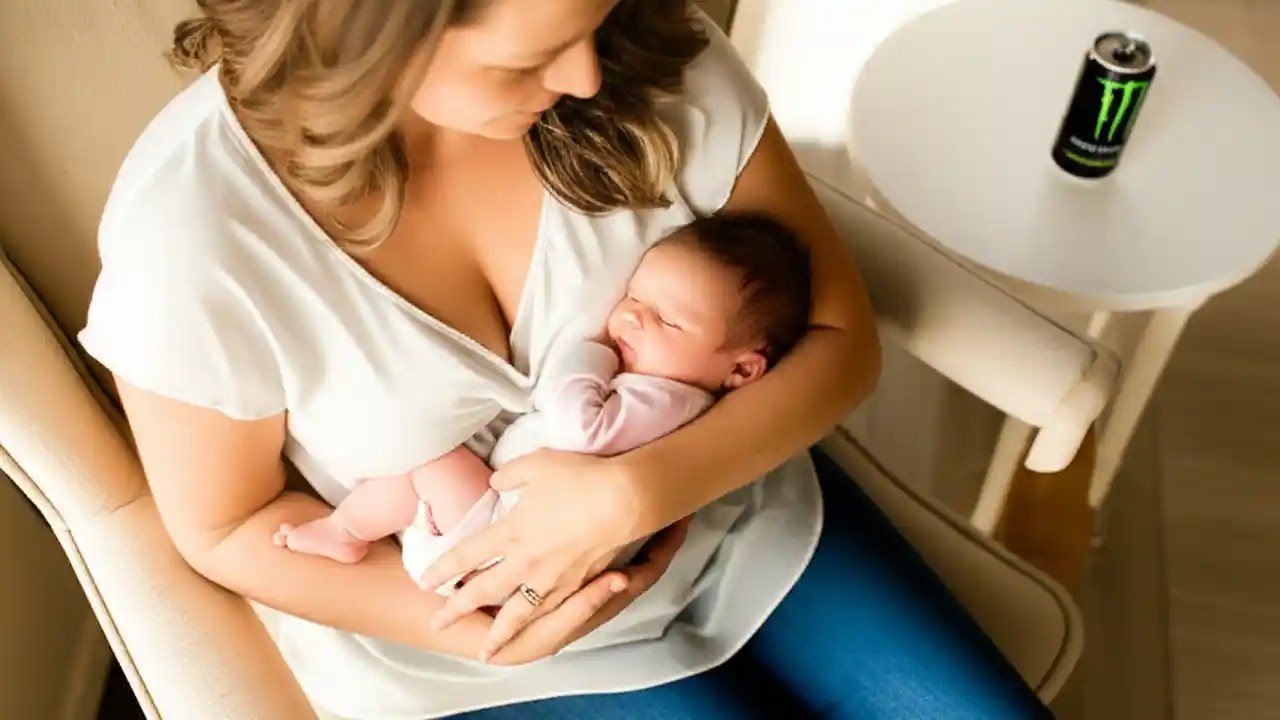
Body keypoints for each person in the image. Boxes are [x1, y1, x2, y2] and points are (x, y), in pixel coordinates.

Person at [77, 0, 1050, 717]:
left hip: (746, 523)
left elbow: (840, 343)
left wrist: (640, 491)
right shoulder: (193, 240)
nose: (586, 76)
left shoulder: (646, 57)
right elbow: (227, 527)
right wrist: (492, 632)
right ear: (364, 30)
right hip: (474, 654)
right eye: (530, 57)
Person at [271, 213, 812, 597]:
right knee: (423, 469)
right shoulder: (674, 397)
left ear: (742, 370)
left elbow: (582, 430)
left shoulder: (669, 401)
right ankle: (348, 531)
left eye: (667, 320)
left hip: (502, 537)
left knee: (429, 459)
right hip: (504, 539)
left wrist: (586, 354)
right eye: (634, 298)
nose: (629, 319)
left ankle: (347, 531)